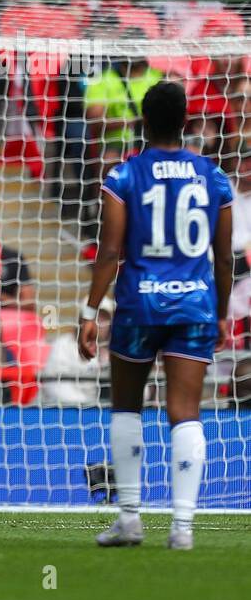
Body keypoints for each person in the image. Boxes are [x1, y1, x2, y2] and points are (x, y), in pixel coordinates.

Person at [78, 81, 233, 551]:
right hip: (194, 304)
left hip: (139, 304)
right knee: (185, 412)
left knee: (127, 405)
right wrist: (221, 313)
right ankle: (182, 529)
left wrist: (89, 312)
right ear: (185, 122)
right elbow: (223, 258)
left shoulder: (124, 176)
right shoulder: (213, 176)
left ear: (142, 122)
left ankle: (129, 519)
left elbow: (109, 252)